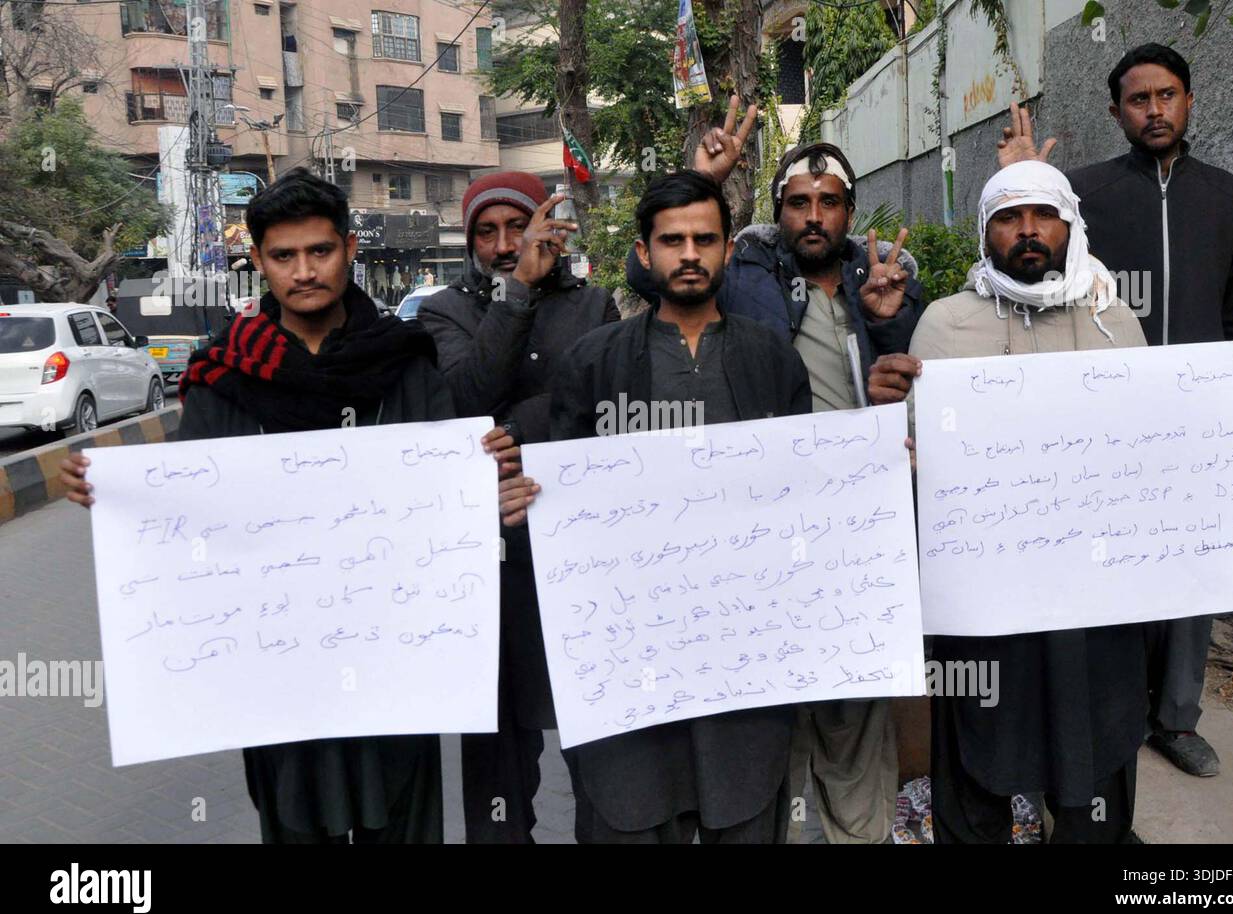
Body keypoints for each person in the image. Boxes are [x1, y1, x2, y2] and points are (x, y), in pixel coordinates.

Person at [58, 168, 515, 844]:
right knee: (297, 819)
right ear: (260, 262)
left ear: (350, 249)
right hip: (277, 670)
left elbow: (448, 508)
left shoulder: (405, 363)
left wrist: (492, 490)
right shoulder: (224, 375)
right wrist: (119, 500)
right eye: (283, 256)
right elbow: (187, 510)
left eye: (320, 251)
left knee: (405, 819)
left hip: (398, 664)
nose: (304, 271)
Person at [627, 98, 925, 843]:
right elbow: (658, 270)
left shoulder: (883, 277)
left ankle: (860, 831)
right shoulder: (744, 272)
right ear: (776, 213)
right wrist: (701, 177)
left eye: (829, 203)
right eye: (798, 203)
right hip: (759, 531)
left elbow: (911, 381)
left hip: (858, 529)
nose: (814, 216)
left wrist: (887, 317)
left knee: (854, 705)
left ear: (850, 210)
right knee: (770, 704)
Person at [997, 44, 1233, 778]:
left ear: (1189, 101)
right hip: (1105, 423)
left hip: (1197, 424)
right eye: (1138, 99)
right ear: (1115, 112)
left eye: (1167, 96)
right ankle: (1111, 712)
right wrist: (1025, 177)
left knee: (1190, 565)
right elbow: (1033, 273)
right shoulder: (1084, 193)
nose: (1154, 110)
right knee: (1113, 565)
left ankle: (1176, 719)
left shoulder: (1224, 194)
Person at [500, 170, 812, 843]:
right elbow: (566, 506)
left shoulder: (772, 360)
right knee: (630, 807)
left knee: (747, 800)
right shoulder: (595, 362)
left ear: (729, 249)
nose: (690, 254)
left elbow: (802, 498)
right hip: (626, 660)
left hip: (743, 654)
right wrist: (531, 502)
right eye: (673, 240)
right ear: (645, 253)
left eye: (705, 238)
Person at [906, 160, 1151, 843]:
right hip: (982, 598)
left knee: (1093, 735)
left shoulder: (1115, 320)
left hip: (1093, 592)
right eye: (1008, 218)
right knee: (979, 737)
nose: (1028, 231)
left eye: (1043, 215)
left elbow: (1151, 445)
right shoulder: (943, 325)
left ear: (1069, 224)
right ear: (986, 233)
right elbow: (921, 450)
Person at [418, 171, 619, 843]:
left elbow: (610, 414)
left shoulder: (594, 309)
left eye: (520, 226)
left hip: (582, 570)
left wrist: (525, 435)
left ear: (551, 228)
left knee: (606, 769)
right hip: (491, 577)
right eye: (489, 231)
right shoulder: (443, 311)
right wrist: (518, 294)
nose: (507, 244)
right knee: (498, 786)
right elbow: (464, 400)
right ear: (470, 240)